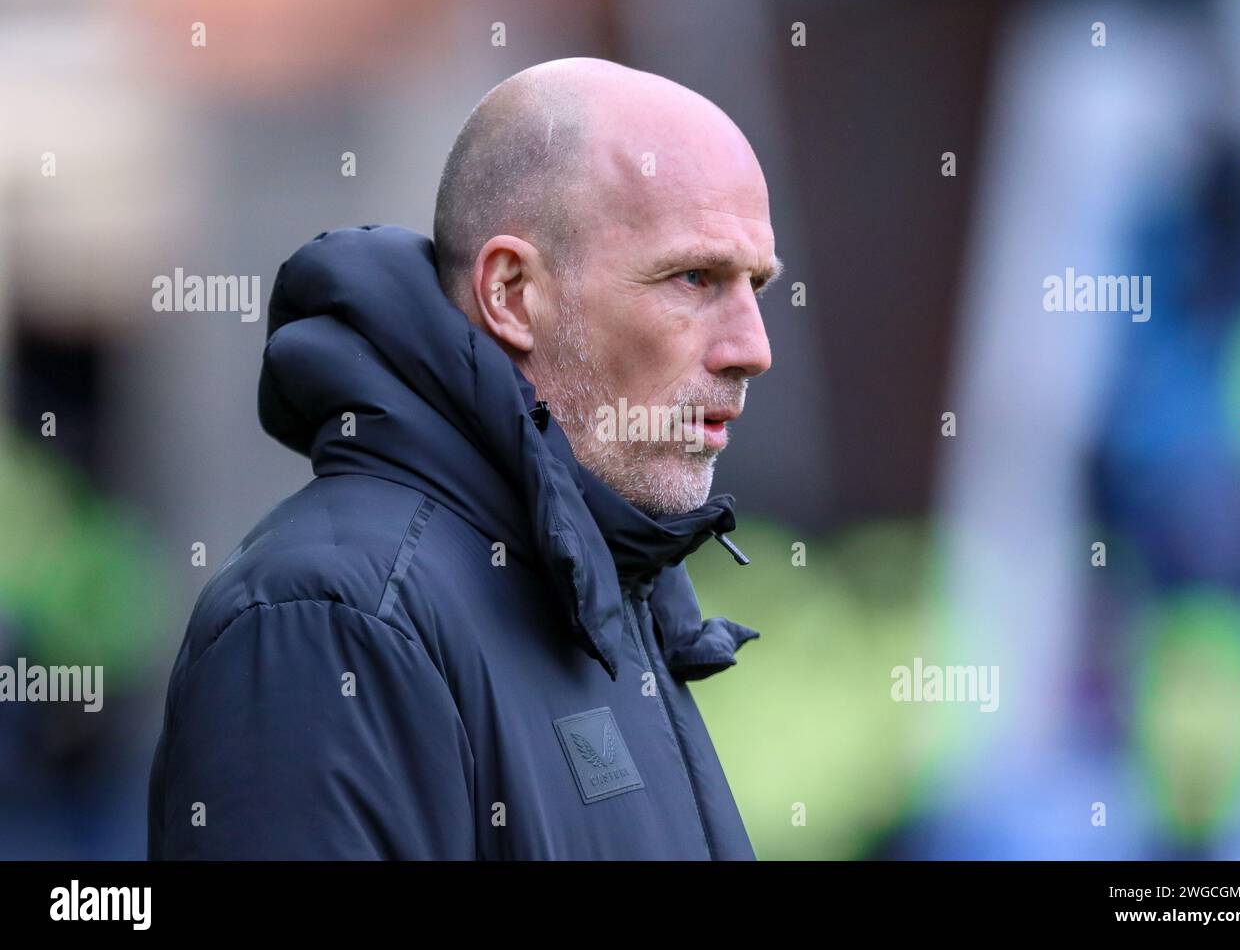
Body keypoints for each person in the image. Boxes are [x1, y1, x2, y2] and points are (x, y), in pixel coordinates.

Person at [147, 57, 779, 859]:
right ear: (512, 292)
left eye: (756, 284)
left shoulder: (611, 593)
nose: (752, 348)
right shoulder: (325, 622)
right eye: (694, 277)